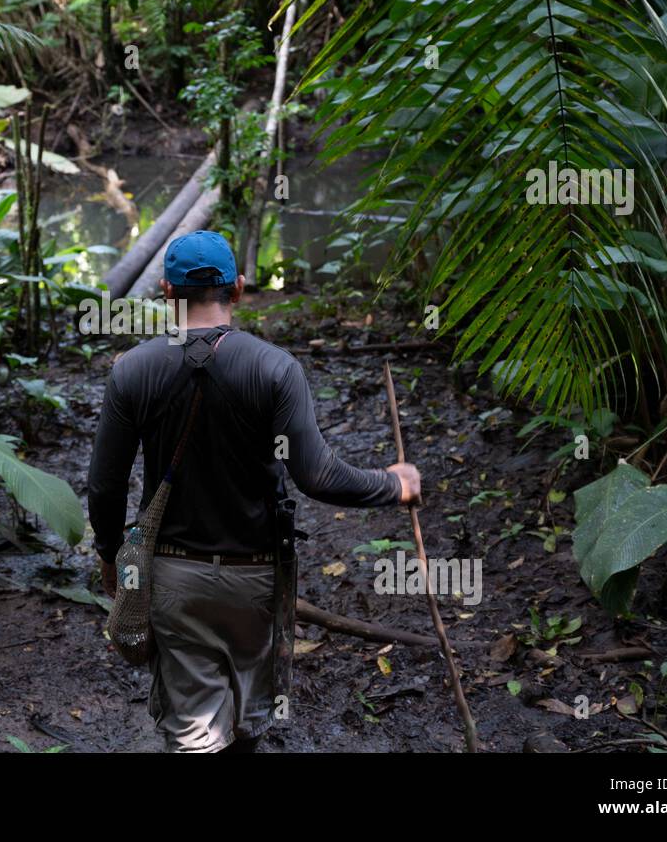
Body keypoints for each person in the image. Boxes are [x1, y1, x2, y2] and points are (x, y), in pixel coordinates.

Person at [86, 230, 420, 753]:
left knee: (194, 730)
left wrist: (110, 555)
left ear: (167, 292)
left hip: (174, 575)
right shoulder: (276, 369)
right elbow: (319, 476)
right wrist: (393, 485)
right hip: (259, 577)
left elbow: (104, 485)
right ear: (238, 289)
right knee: (247, 716)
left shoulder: (132, 370)